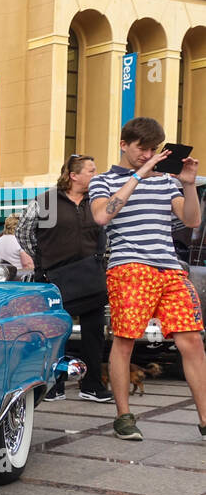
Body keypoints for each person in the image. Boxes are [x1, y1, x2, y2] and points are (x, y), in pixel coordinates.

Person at [87, 117, 205, 441]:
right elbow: (101, 215)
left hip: (169, 267)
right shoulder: (103, 181)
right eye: (142, 148)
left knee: (192, 340)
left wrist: (189, 184)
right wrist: (139, 174)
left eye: (153, 149)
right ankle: (124, 416)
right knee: (125, 341)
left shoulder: (167, 183)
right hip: (130, 266)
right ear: (124, 144)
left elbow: (191, 220)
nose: (147, 154)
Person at [19, 153, 112, 403]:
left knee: (95, 333)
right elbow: (24, 232)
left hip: (91, 277)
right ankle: (53, 384)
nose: (96, 174)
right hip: (54, 279)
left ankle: (92, 385)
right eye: (91, 170)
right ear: (73, 175)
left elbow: (107, 236)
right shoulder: (46, 201)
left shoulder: (97, 202)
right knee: (55, 333)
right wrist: (43, 259)